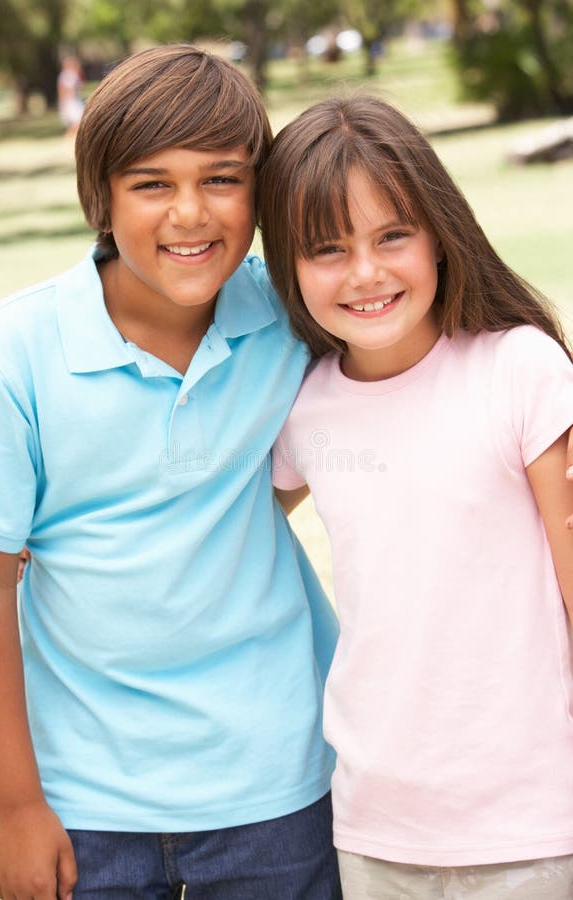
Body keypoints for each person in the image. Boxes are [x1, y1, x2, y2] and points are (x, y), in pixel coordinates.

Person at [0, 46, 341, 900]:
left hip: (278, 782)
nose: (190, 213)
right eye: (152, 184)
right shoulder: (13, 352)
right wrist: (15, 807)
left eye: (223, 179)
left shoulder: (293, 312)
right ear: (100, 198)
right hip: (83, 798)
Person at [257, 95, 573, 899]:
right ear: (288, 266)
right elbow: (221, 528)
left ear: (439, 231)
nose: (365, 273)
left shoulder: (519, 371)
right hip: (374, 827)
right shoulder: (304, 407)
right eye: (328, 249)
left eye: (392, 235)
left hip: (536, 823)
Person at [57, 56, 84, 139]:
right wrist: (63, 104)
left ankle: (72, 138)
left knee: (78, 123)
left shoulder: (73, 75)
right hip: (69, 102)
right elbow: (62, 91)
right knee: (76, 123)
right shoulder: (65, 76)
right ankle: (69, 138)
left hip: (75, 101)